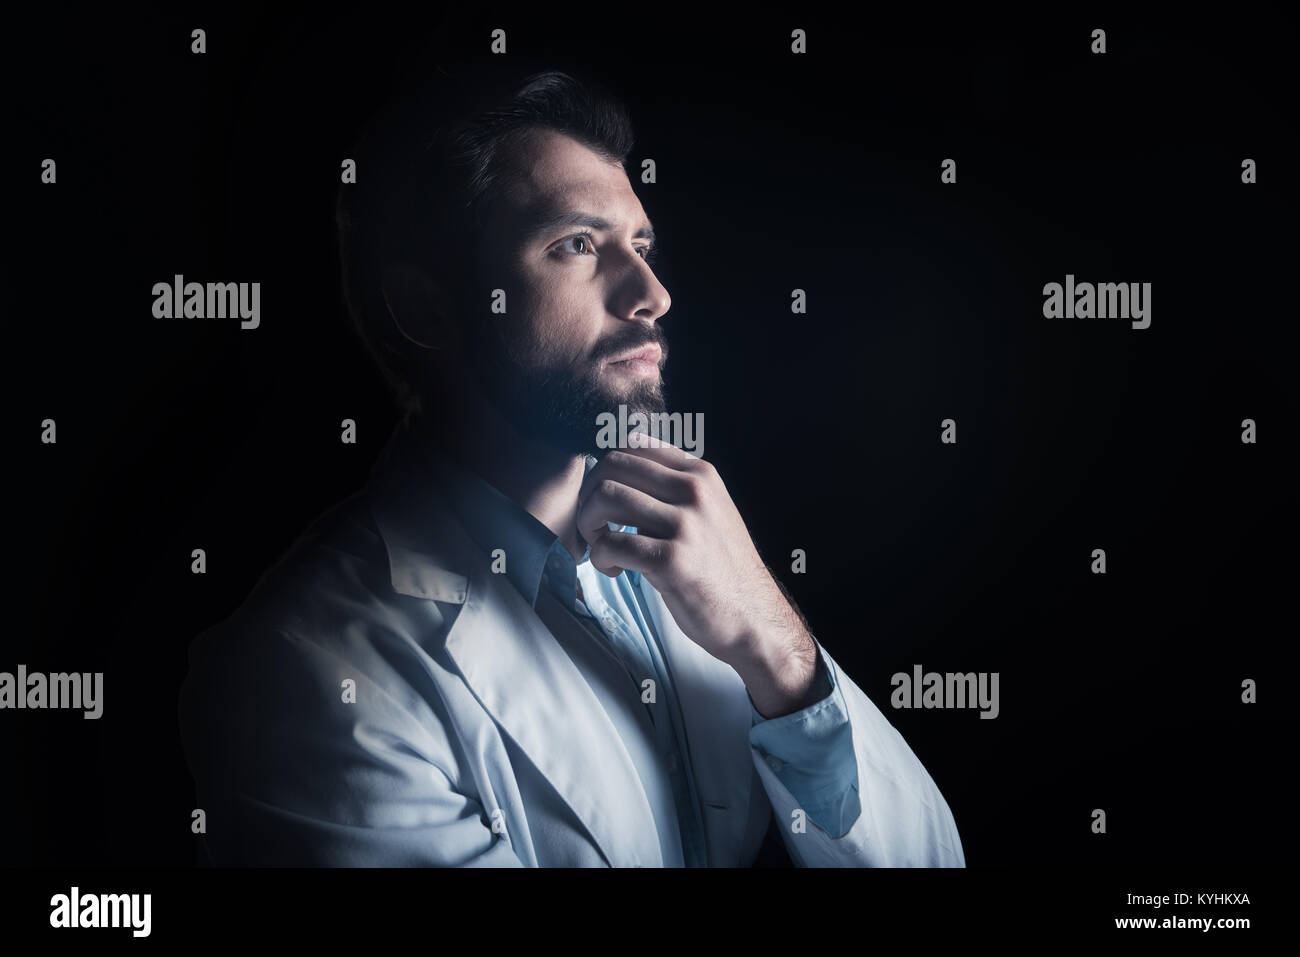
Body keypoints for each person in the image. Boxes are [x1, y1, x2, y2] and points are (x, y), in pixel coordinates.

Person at [177, 67, 966, 867]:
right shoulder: (307, 673)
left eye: (642, 245)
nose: (651, 292)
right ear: (426, 309)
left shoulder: (697, 553)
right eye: (576, 245)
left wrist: (775, 642)